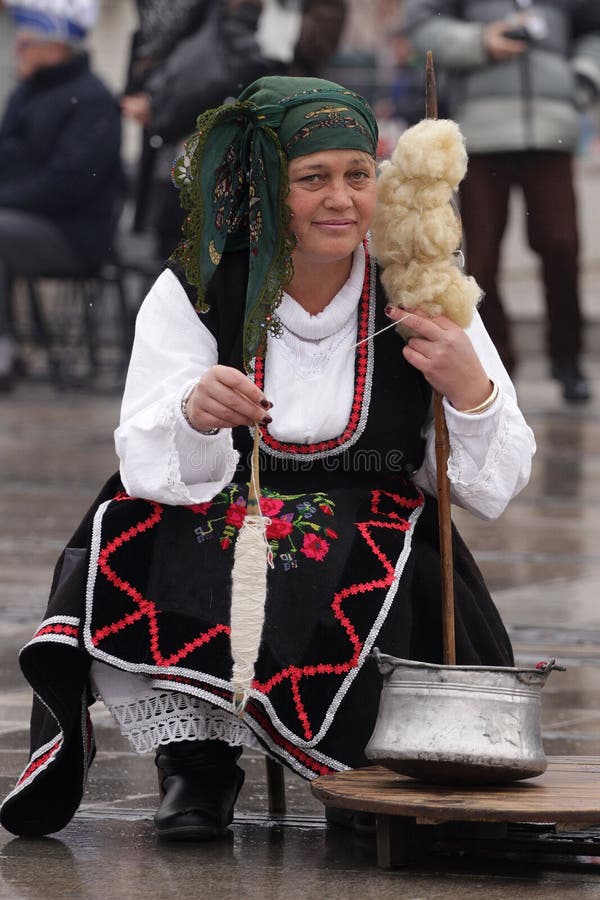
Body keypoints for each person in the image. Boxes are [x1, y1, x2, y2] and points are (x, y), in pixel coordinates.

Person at [0, 75, 535, 842]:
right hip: (226, 497)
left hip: (374, 518)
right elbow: (144, 448)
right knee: (131, 529)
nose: (341, 199)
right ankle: (198, 758)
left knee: (363, 560)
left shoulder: (421, 288)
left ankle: (360, 765)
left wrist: (470, 390)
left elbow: (491, 486)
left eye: (359, 174)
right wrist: (193, 412)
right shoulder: (200, 287)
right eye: (313, 178)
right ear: (263, 188)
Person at [404, 0, 600, 402]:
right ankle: (497, 363)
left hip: (552, 130)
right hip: (480, 132)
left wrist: (582, 78)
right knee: (482, 257)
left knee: (562, 245)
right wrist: (479, 41)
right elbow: (422, 26)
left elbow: (593, 29)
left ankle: (568, 358)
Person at [121, 0, 347, 257]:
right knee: (189, 236)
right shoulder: (220, 19)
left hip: (274, 132)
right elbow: (195, 52)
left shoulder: (310, 14)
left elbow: (315, 45)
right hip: (205, 134)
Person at [0, 0, 122, 390]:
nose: (15, 49)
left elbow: (68, 184)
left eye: (25, 43)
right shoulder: (27, 93)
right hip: (26, 219)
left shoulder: (92, 99)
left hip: (73, 234)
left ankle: (3, 350)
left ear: (55, 49)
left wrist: (6, 197)